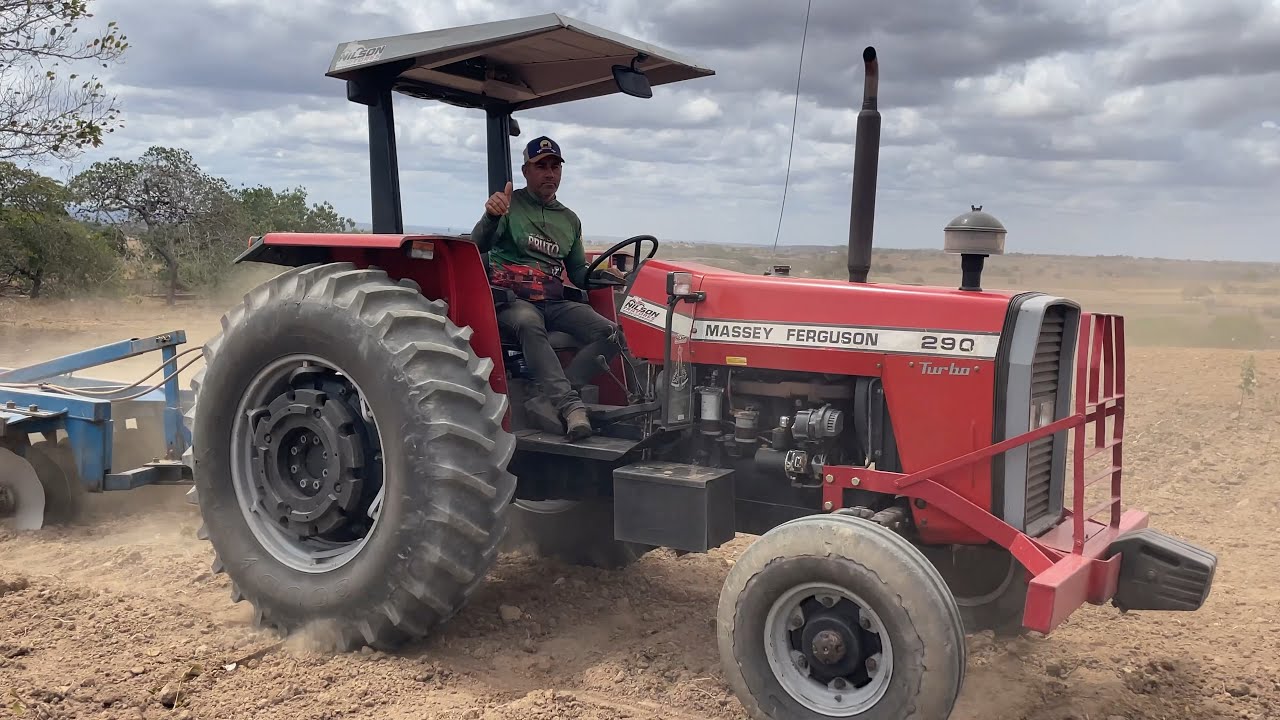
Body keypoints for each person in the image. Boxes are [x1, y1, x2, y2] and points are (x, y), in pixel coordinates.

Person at [470, 135, 621, 441]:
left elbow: (578, 274)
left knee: (611, 333)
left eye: (555, 167)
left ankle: (550, 396)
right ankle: (570, 406)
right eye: (541, 167)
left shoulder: (569, 220)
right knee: (528, 322)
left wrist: (605, 275)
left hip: (553, 301)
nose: (550, 173)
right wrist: (491, 216)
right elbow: (478, 244)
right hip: (511, 301)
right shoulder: (509, 207)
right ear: (526, 171)